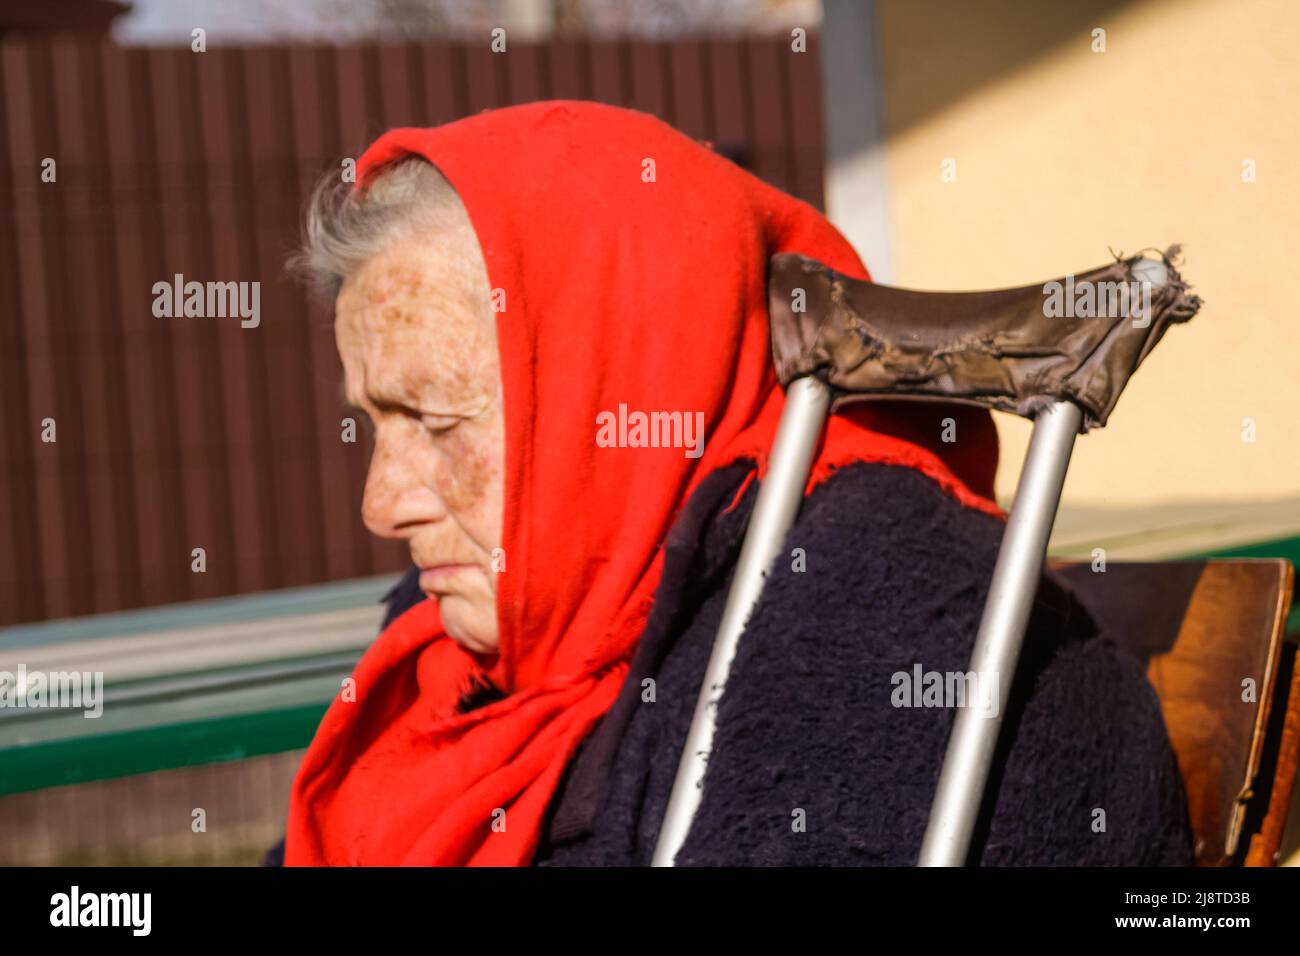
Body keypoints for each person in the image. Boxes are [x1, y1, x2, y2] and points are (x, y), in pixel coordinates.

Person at [273, 100, 1193, 866]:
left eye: (434, 422)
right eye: (373, 422)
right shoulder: (448, 651)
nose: (381, 503)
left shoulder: (883, 624)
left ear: (620, 374)